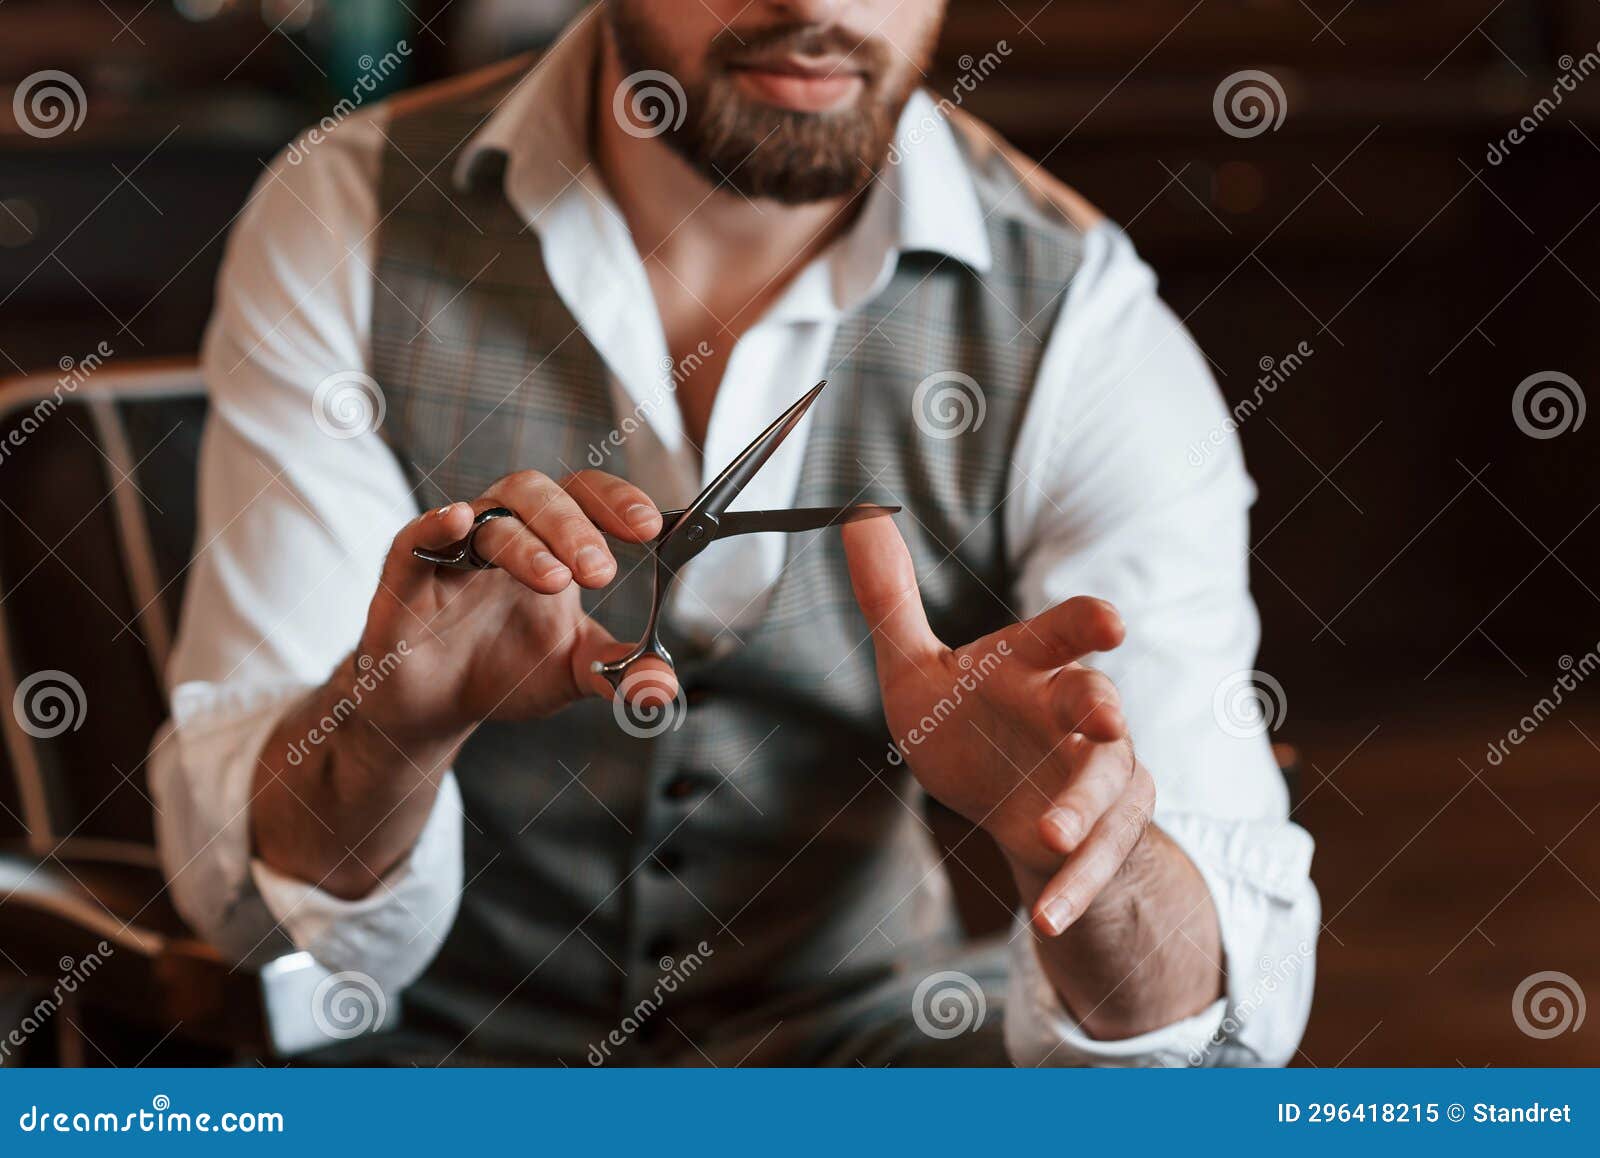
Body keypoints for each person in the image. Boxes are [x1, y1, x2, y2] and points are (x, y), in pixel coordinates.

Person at [150, 0, 1318, 1066]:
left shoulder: (1082, 320)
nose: (814, 10)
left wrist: (1090, 863)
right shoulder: (344, 216)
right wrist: (384, 731)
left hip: (864, 1059)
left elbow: (1221, 1026)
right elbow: (246, 908)